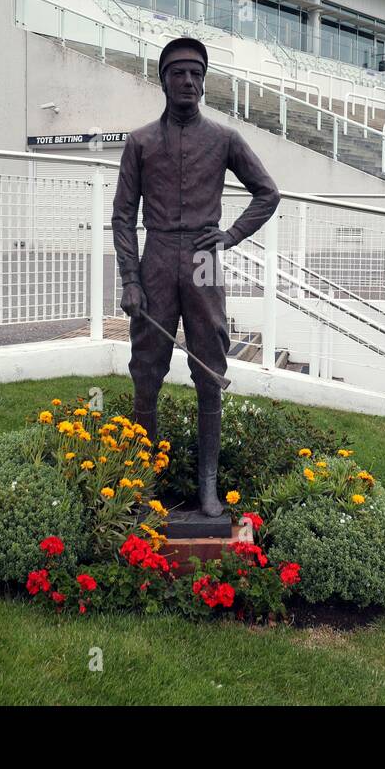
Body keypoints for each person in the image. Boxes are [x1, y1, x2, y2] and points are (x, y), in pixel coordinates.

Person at [111, 37, 281, 516]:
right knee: (146, 373)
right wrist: (130, 278)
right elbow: (123, 215)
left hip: (205, 256)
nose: (188, 81)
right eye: (178, 73)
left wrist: (229, 236)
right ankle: (143, 483)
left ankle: (208, 484)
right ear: (163, 80)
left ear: (204, 83)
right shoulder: (140, 142)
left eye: (196, 74)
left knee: (210, 368)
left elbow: (267, 193)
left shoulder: (225, 139)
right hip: (157, 254)